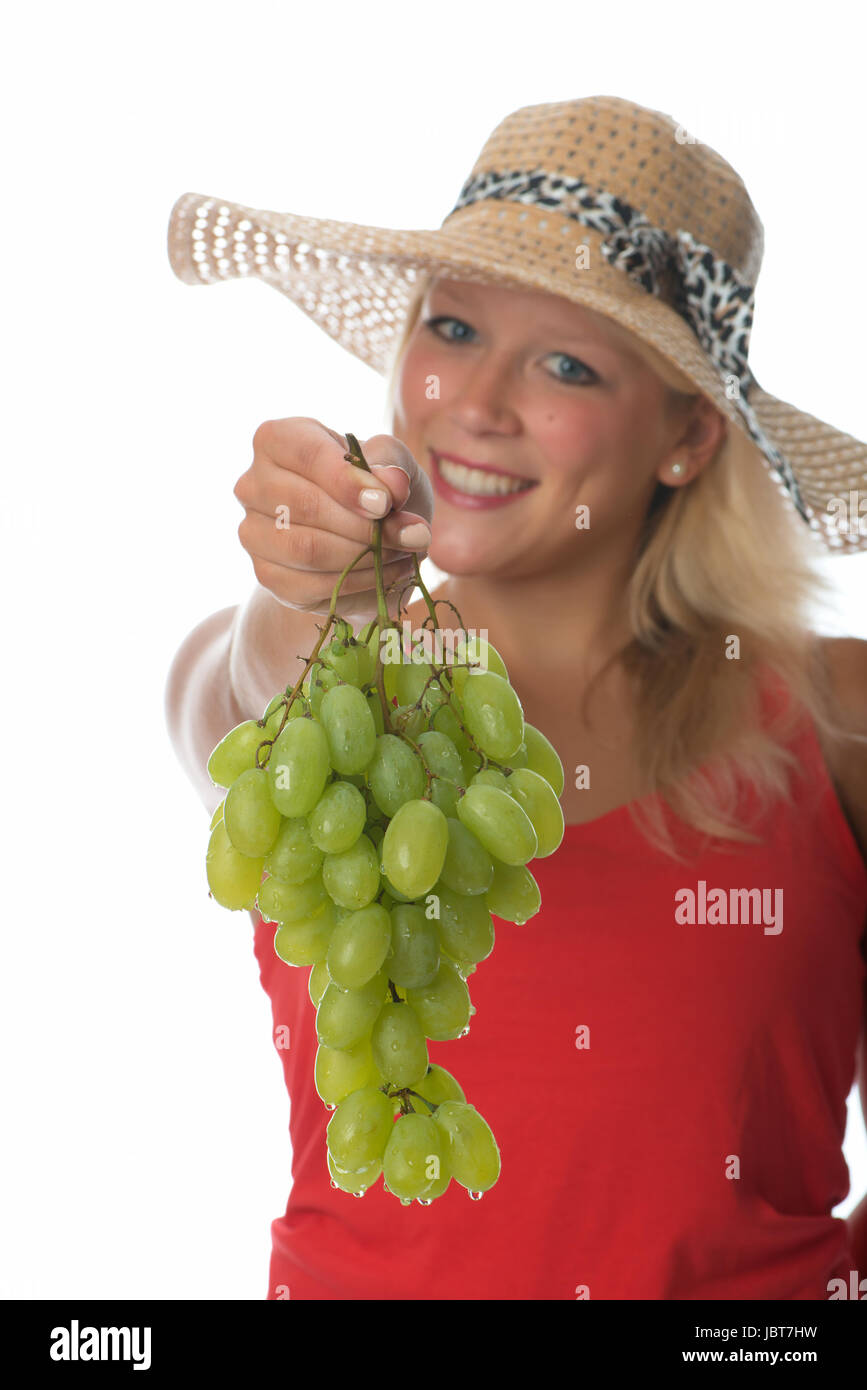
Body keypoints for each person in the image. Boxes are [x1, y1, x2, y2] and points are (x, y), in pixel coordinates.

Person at [164, 96, 867, 1300]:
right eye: (451, 326)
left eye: (565, 364)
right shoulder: (318, 687)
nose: (474, 403)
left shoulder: (837, 713)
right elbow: (244, 691)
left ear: (687, 434)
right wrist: (322, 588)